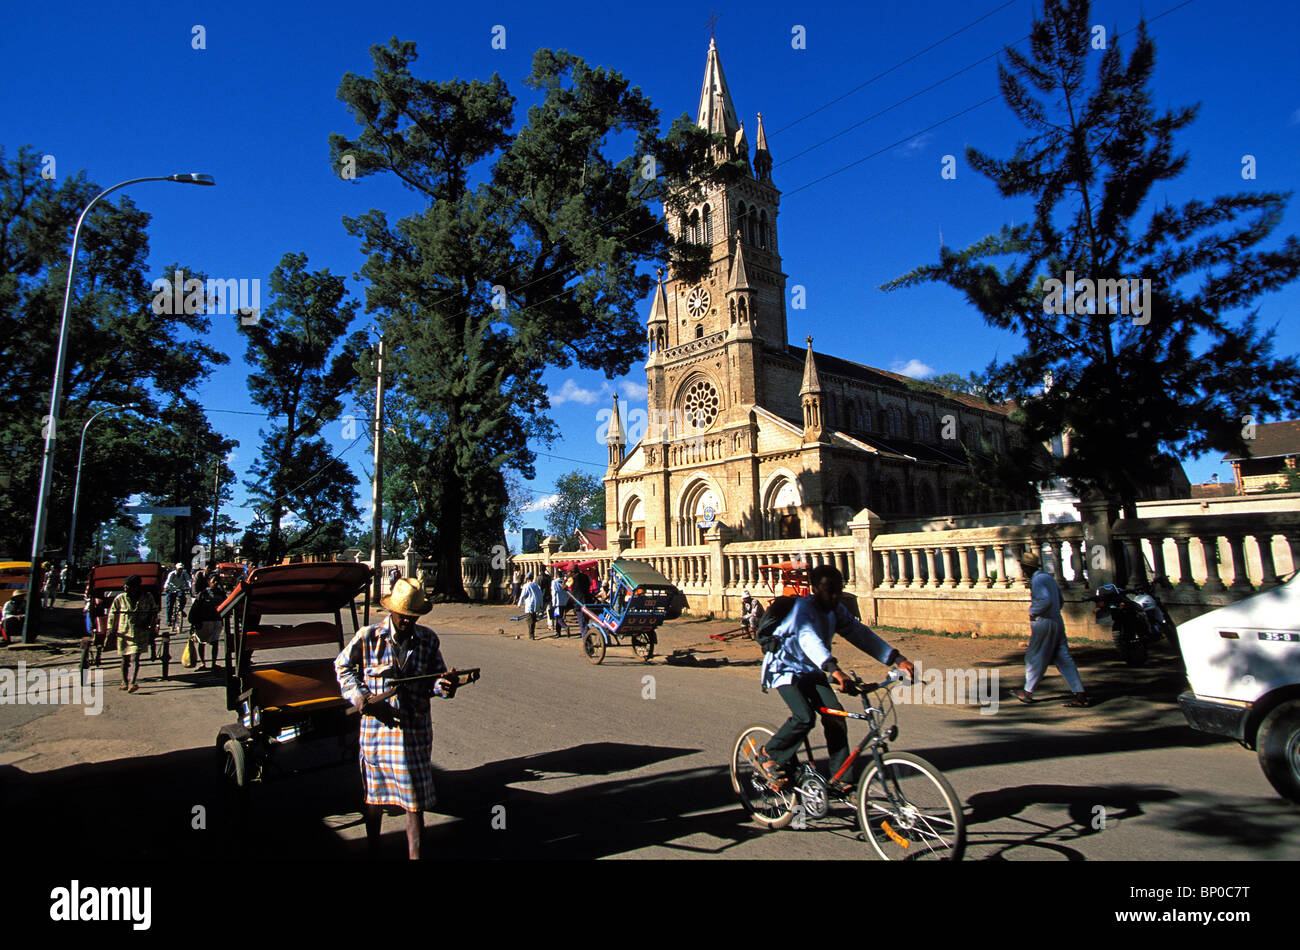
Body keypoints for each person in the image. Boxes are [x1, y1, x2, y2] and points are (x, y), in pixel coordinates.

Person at [758, 564, 915, 793]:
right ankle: (769, 754)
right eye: (827, 591)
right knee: (804, 717)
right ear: (814, 589)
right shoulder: (804, 608)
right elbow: (808, 638)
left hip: (810, 670)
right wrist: (834, 669)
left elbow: (860, 633)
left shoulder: (836, 610)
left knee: (836, 716)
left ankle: (841, 779)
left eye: (837, 591)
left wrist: (897, 658)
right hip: (785, 668)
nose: (833, 596)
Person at [335, 578, 459, 860]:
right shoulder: (367, 637)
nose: (406, 620)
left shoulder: (428, 640)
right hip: (378, 734)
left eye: (412, 616)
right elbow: (342, 667)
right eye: (402, 614)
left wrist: (446, 686)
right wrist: (361, 696)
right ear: (391, 610)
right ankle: (373, 847)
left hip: (414, 731)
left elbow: (435, 681)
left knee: (414, 803)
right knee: (374, 799)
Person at [1012, 551, 1090, 708]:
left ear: (1026, 567)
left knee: (1035, 657)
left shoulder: (1038, 580)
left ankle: (1028, 692)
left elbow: (1045, 600)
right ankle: (1080, 694)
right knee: (1064, 659)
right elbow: (1059, 601)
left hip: (1044, 622)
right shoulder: (1048, 578)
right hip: (1056, 620)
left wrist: (1033, 612)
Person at [108, 574, 158, 693]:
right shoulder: (120, 598)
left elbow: (154, 611)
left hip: (140, 632)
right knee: (125, 659)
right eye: (125, 585)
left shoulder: (147, 597)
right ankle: (124, 681)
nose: (125, 588)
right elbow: (112, 614)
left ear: (136, 587)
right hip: (124, 632)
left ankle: (133, 682)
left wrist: (151, 625)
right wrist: (110, 629)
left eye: (128, 586)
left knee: (135, 657)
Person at [188, 572, 223, 670]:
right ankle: (203, 663)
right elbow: (195, 609)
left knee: (215, 643)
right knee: (201, 643)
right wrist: (193, 623)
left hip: (216, 621)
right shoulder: (203, 594)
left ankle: (213, 663)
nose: (216, 583)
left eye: (217, 581)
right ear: (209, 582)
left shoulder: (221, 593)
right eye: (213, 581)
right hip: (203, 622)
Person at [163, 562, 190, 630]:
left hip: (180, 589)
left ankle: (180, 609)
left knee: (183, 598)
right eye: (179, 569)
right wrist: (166, 588)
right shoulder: (172, 574)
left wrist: (190, 587)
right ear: (176, 569)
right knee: (169, 604)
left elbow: (189, 581)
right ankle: (168, 620)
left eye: (181, 569)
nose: (180, 570)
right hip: (171, 589)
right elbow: (168, 582)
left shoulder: (184, 574)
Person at [568, 567, 593, 638]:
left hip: (579, 602)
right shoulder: (585, 576)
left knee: (582, 623)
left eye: (568, 572)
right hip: (588, 601)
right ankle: (587, 635)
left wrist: (564, 583)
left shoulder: (572, 579)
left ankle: (586, 639)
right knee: (585, 621)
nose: (568, 574)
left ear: (573, 572)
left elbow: (566, 586)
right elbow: (590, 584)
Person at [517, 573, 543, 640]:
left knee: (530, 620)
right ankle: (532, 633)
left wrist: (519, 604)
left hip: (529, 604)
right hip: (536, 604)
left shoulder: (526, 586)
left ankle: (531, 634)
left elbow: (523, 595)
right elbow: (540, 595)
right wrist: (540, 604)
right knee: (533, 620)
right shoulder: (536, 585)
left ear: (527, 578)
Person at [549, 572, 570, 636]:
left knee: (558, 617)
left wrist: (554, 603)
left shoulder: (554, 582)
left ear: (556, 575)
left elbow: (554, 593)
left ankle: (565, 627)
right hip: (563, 602)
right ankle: (558, 632)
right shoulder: (564, 582)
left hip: (557, 602)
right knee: (559, 616)